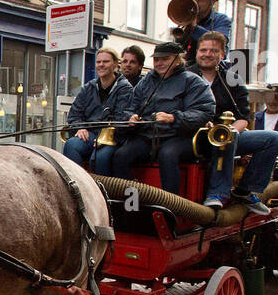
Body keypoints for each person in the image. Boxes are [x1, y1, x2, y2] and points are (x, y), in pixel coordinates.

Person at [107, 41, 215, 195]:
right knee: (121, 155)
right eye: (156, 59)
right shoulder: (146, 81)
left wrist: (173, 118)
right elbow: (130, 107)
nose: (159, 63)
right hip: (148, 136)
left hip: (179, 136)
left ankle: (170, 204)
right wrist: (131, 117)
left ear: (177, 60)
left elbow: (204, 112)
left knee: (167, 154)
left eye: (165, 59)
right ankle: (130, 203)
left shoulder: (192, 81)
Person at [195, 32, 278, 215]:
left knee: (274, 139)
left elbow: (243, 117)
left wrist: (229, 131)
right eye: (203, 50)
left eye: (213, 51)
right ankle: (217, 194)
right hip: (195, 136)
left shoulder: (233, 80)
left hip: (226, 135)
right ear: (197, 52)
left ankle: (245, 190)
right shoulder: (186, 76)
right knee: (226, 137)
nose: (207, 54)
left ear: (222, 54)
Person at [63, 47, 132, 175]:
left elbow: (122, 118)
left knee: (100, 158)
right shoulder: (88, 87)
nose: (101, 65)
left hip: (112, 138)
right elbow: (74, 114)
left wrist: (104, 137)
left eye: (106, 62)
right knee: (71, 145)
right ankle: (76, 183)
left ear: (115, 64)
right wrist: (80, 128)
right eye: (98, 62)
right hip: (90, 135)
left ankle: (102, 187)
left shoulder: (125, 88)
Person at [179, 0, 232, 64]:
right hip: (189, 64)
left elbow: (219, 41)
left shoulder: (221, 19)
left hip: (212, 65)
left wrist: (194, 27)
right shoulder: (189, 18)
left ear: (212, 1)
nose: (196, 2)